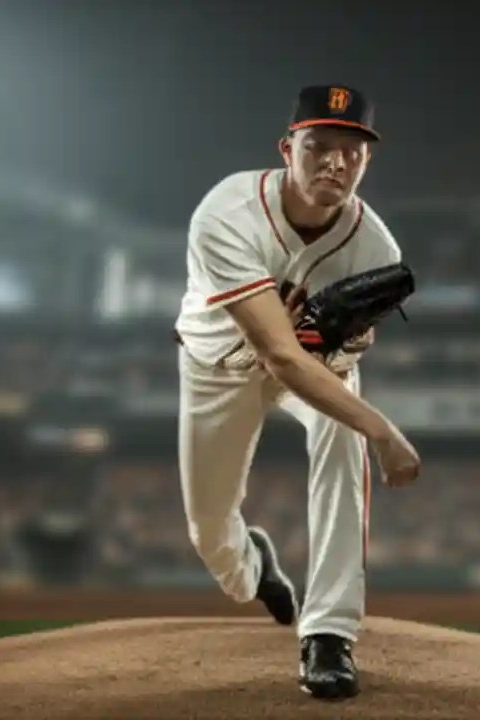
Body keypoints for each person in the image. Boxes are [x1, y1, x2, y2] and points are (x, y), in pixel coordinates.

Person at [173, 84, 421, 699]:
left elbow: (328, 360)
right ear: (288, 148)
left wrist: (328, 357)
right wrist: (385, 429)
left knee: (342, 428)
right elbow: (277, 354)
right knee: (209, 531)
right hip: (217, 369)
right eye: (319, 146)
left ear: (368, 161)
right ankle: (254, 567)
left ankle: (330, 634)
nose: (336, 162)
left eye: (352, 151)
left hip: (313, 367)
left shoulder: (375, 250)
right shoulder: (227, 212)